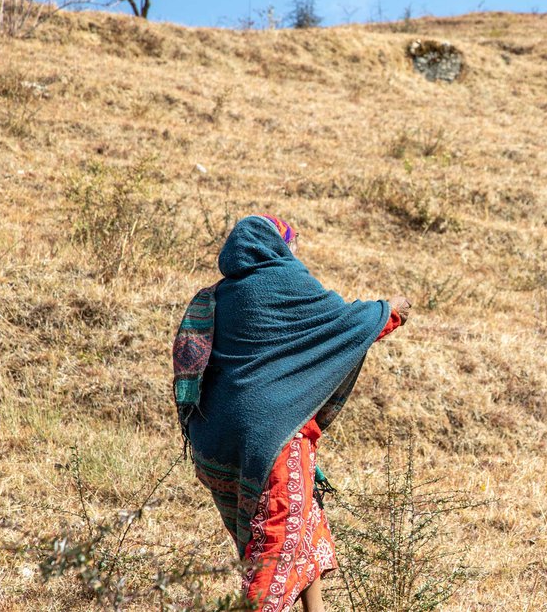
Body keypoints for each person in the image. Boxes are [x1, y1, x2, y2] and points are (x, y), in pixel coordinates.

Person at [171, 214, 411, 612]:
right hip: (269, 442)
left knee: (304, 530)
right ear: (278, 244)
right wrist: (391, 311)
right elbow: (343, 326)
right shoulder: (287, 281)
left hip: (215, 447)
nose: (296, 249)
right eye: (292, 241)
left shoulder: (219, 295)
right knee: (276, 551)